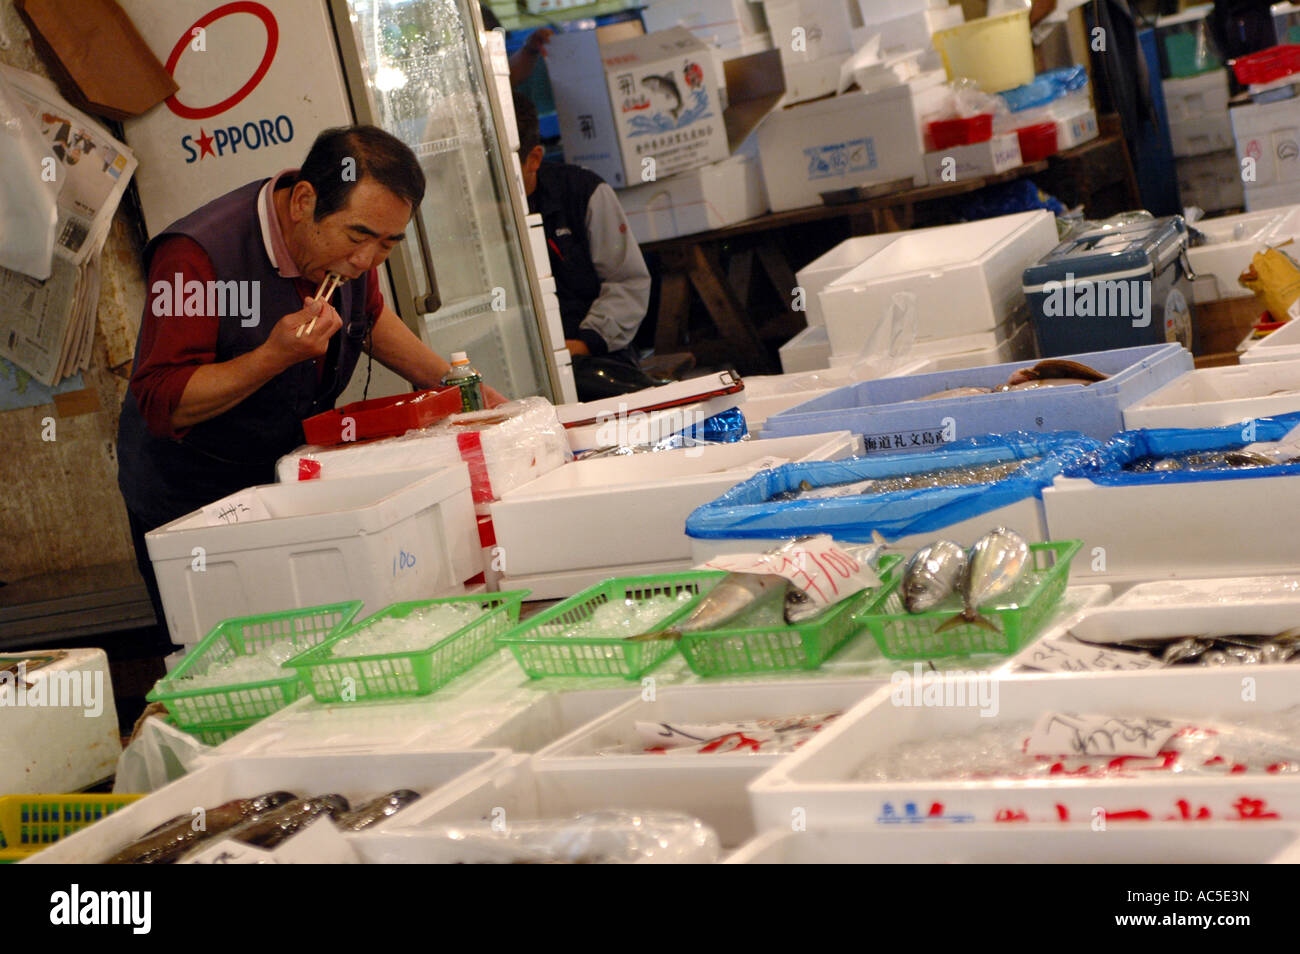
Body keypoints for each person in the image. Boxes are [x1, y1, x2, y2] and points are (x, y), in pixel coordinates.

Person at [116, 125, 505, 645]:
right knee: (234, 652)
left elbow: (368, 317)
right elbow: (165, 401)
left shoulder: (344, 253)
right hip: (193, 496)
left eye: (388, 243)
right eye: (358, 236)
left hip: (283, 471)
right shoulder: (197, 258)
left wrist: (457, 385)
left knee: (317, 636)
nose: (367, 260)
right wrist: (272, 357)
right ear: (304, 201)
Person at [514, 93, 652, 395]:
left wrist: (584, 343)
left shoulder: (585, 192)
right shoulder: (475, 211)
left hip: (593, 354)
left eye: (503, 167)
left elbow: (627, 281)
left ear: (534, 158)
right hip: (517, 365)